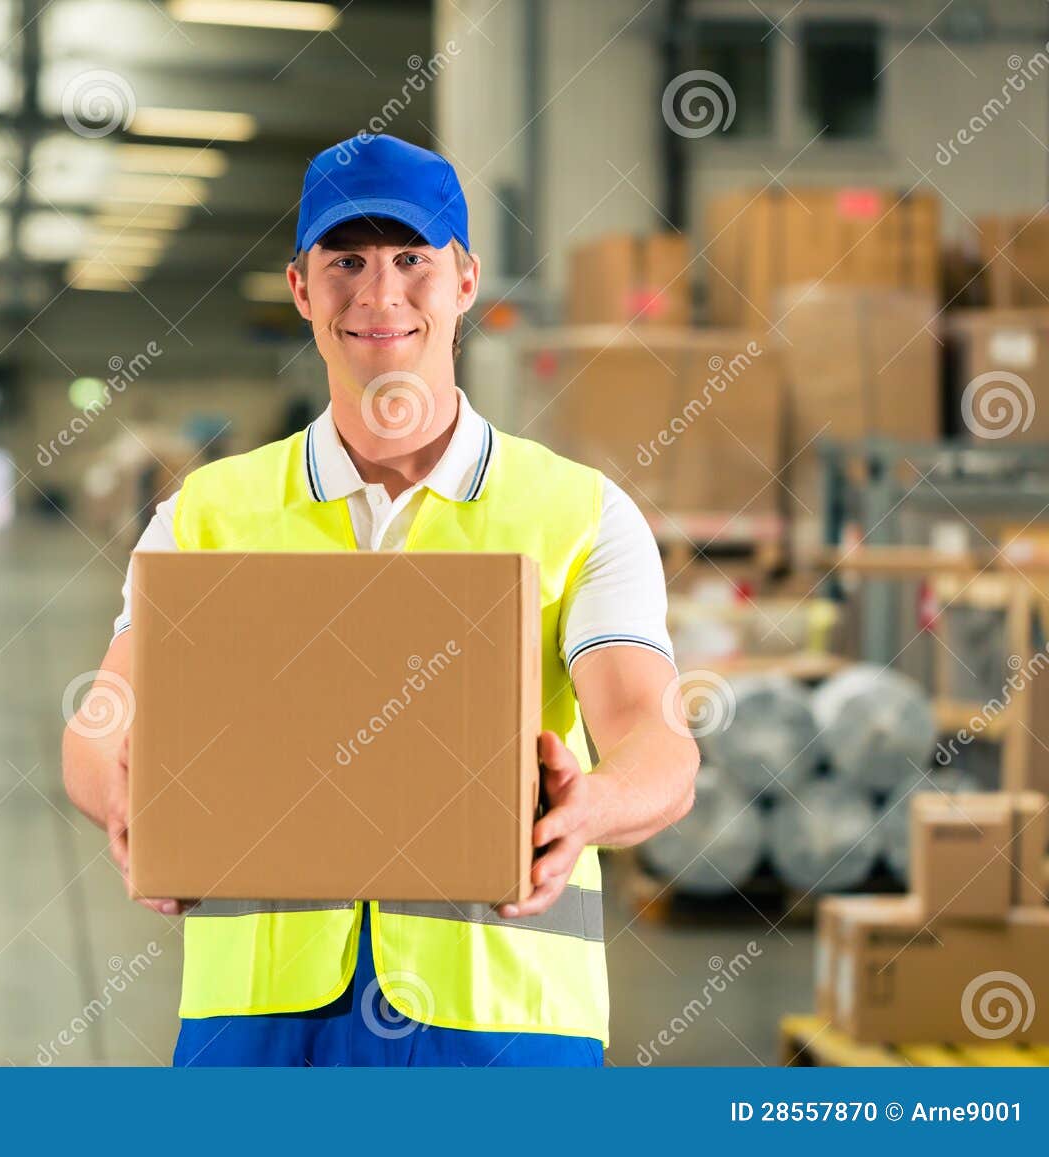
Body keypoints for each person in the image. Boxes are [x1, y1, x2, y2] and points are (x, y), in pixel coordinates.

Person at [63, 133, 699, 1067]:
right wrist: (116, 794)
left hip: (505, 1027)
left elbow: (656, 739)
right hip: (261, 1032)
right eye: (346, 261)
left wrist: (592, 808)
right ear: (299, 287)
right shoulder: (209, 514)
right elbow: (104, 717)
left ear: (466, 278)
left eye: (412, 259)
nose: (379, 293)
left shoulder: (578, 513)